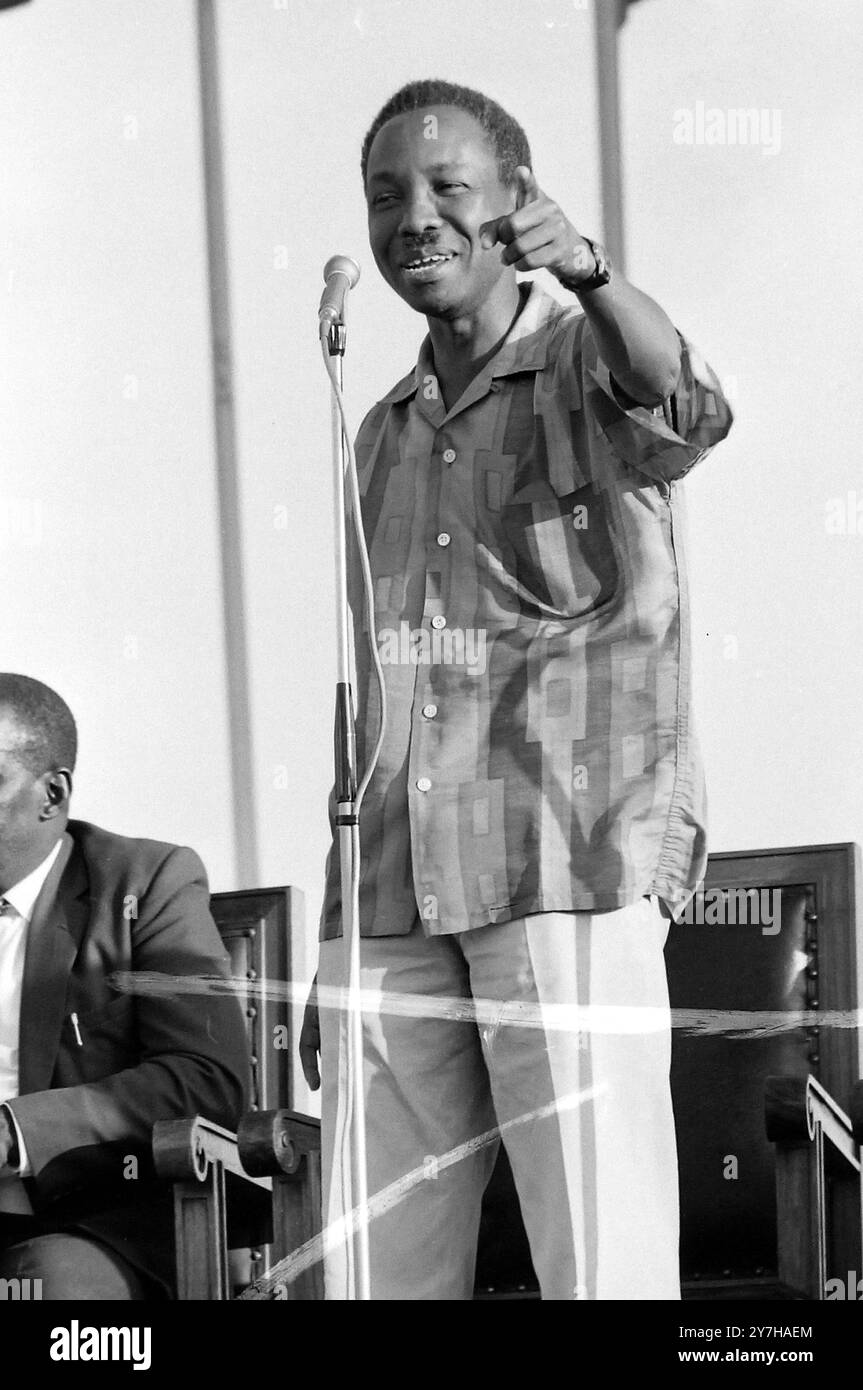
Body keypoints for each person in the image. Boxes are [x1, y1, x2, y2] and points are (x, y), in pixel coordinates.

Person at [300, 79, 733, 1300]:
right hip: (392, 886)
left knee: (597, 1252)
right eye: (386, 195)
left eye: (448, 188)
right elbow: (376, 696)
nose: (412, 218)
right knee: (370, 1266)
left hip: (562, 855)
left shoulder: (581, 360)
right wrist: (338, 933)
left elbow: (692, 402)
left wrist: (593, 273)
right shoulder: (378, 428)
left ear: (515, 208)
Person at [0, 673, 249, 1299]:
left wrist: (13, 1131)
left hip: (85, 1221)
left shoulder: (145, 884)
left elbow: (206, 1079)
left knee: (46, 1291)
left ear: (51, 794)